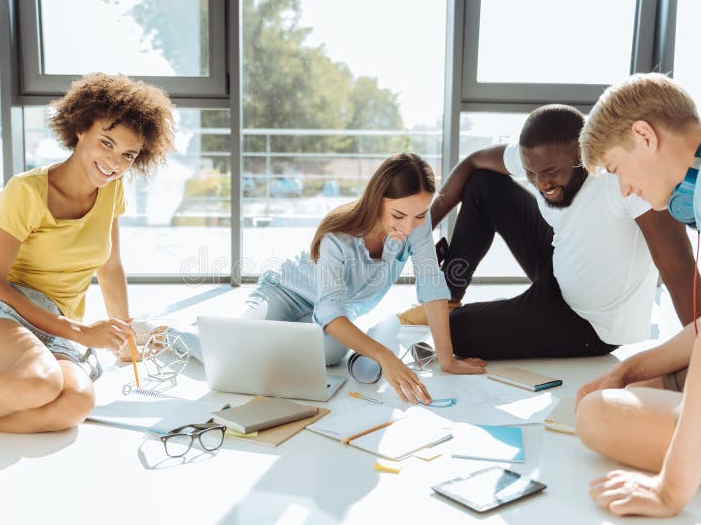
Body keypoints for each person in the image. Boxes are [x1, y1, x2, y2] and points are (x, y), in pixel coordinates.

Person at [0, 73, 175, 433]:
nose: (114, 163)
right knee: (40, 382)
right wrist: (79, 331)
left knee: (76, 402)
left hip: (56, 327)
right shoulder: (27, 191)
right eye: (106, 143)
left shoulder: (111, 191)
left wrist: (124, 338)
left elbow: (109, 267)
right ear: (80, 129)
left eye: (127, 155)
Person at [398, 104, 701, 359]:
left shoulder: (625, 178)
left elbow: (678, 268)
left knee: (453, 331)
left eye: (551, 173)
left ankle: (451, 316)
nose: (541, 183)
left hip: (587, 323)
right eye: (532, 173)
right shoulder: (541, 157)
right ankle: (448, 295)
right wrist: (418, 230)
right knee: (483, 184)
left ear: (582, 155)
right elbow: (473, 161)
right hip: (558, 266)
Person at [186, 153, 487, 403]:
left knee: (331, 353)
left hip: (333, 310)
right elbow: (330, 314)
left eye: (419, 215)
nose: (409, 227)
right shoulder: (338, 235)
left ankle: (271, 341)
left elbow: (432, 284)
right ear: (376, 199)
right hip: (286, 291)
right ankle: (168, 334)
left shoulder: (417, 221)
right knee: (238, 353)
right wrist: (385, 356)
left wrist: (447, 360)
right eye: (398, 216)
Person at [574, 72, 701, 517]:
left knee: (597, 414)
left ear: (644, 135)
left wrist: (669, 490)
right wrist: (627, 369)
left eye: (617, 169)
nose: (624, 189)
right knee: (633, 385)